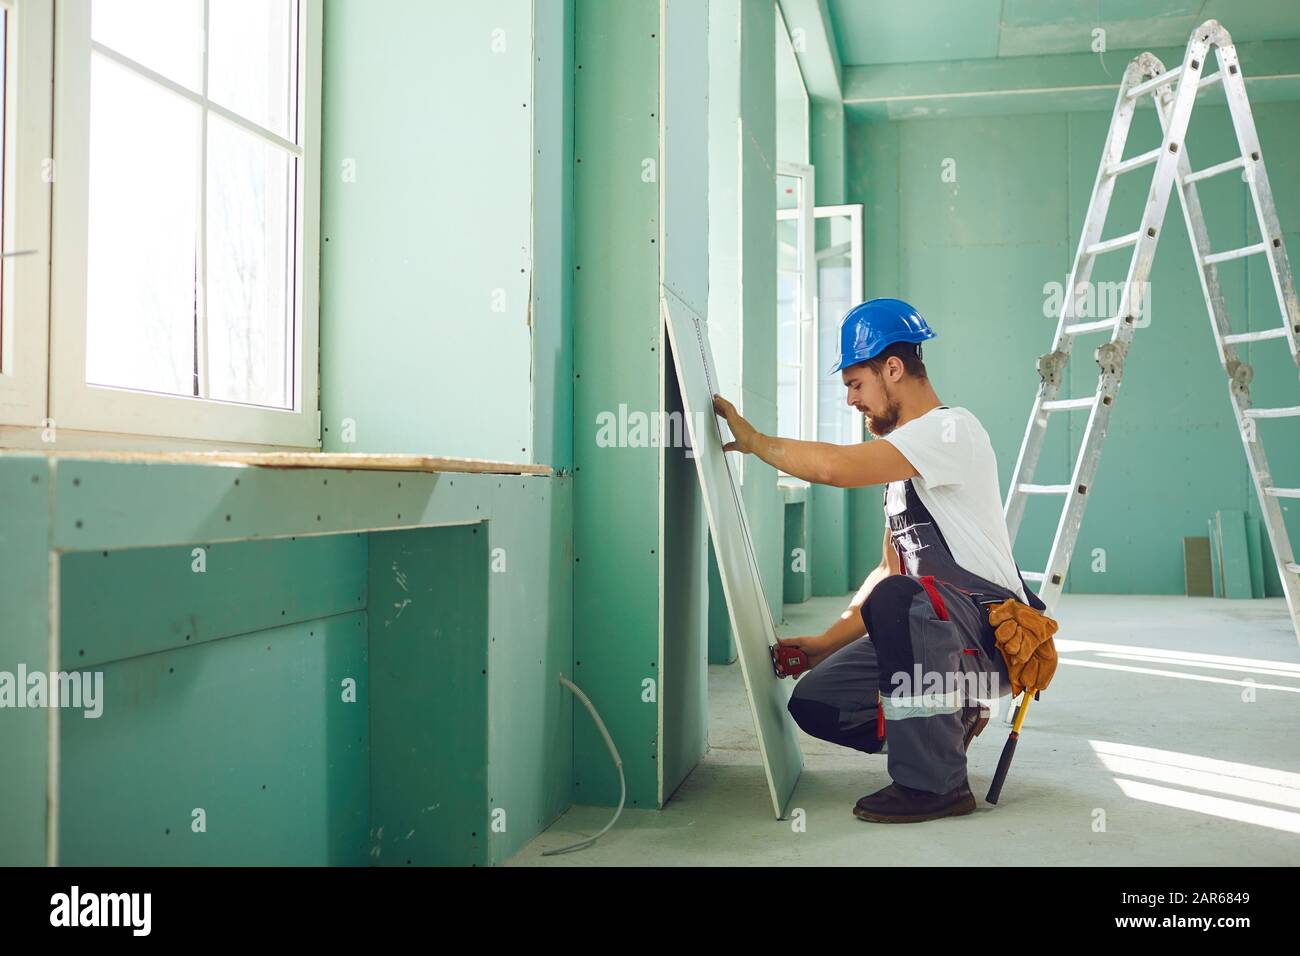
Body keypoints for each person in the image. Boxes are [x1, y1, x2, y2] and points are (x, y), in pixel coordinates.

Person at [712, 297, 1048, 823]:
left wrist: (756, 442)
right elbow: (889, 571)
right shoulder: (899, 472)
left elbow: (834, 468)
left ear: (893, 368)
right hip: (937, 636)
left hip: (985, 639)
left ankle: (935, 786)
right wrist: (824, 643)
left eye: (855, 383)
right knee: (818, 702)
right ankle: (950, 720)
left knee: (902, 602)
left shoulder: (950, 430)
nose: (850, 400)